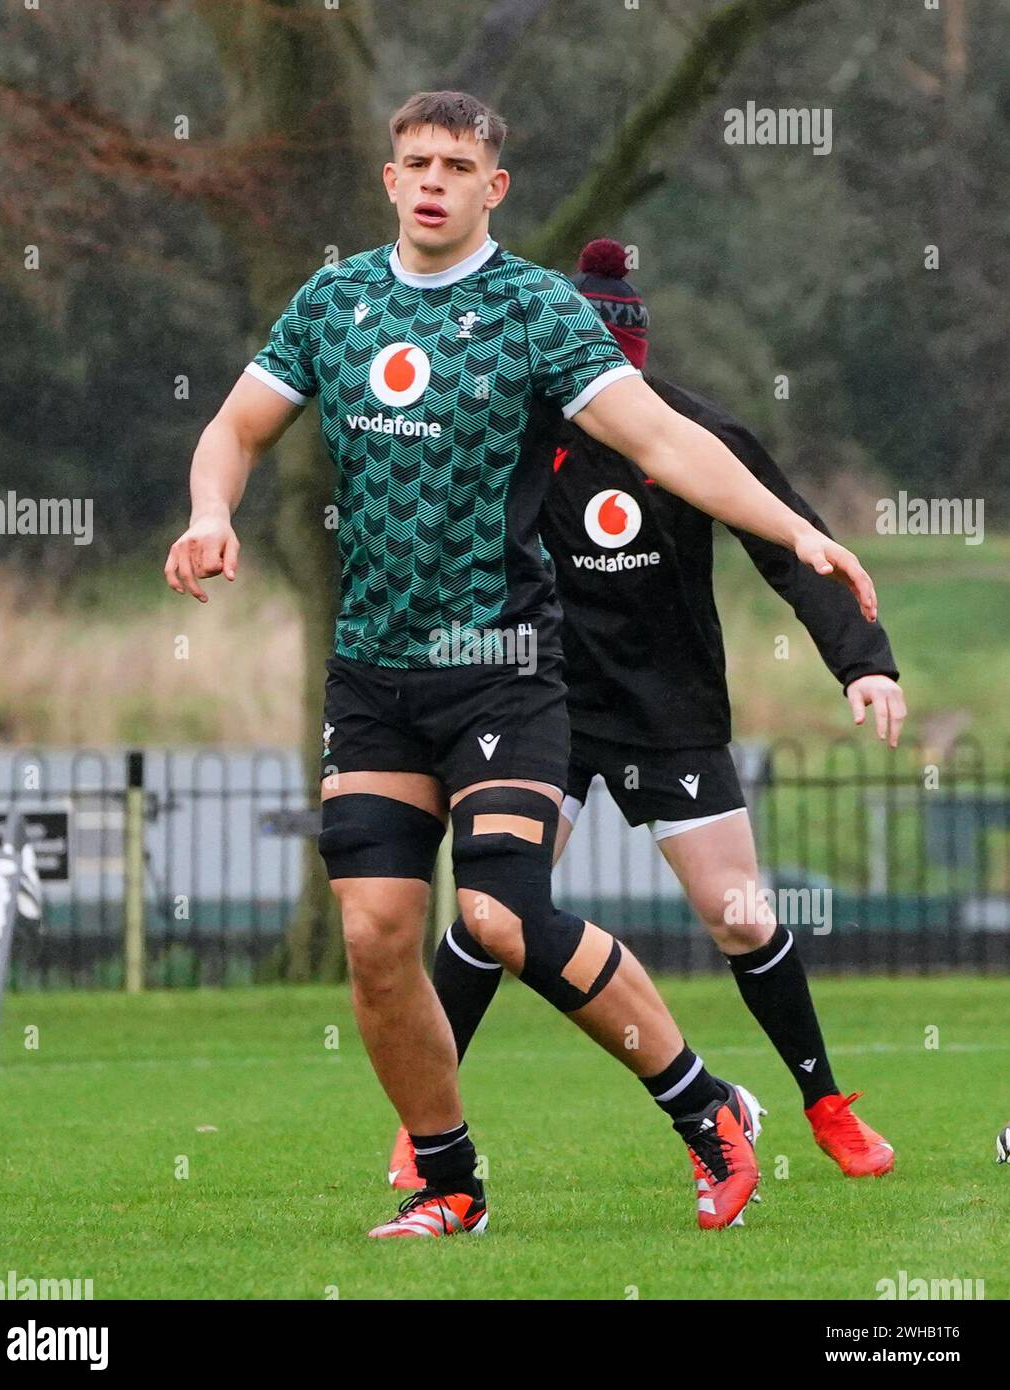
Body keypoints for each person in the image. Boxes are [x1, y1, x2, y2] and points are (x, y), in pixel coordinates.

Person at [165, 92, 879, 1237]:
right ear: (390, 180)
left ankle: (706, 1110)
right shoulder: (334, 301)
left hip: (503, 666)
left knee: (499, 913)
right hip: (372, 675)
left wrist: (796, 529)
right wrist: (210, 511)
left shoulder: (537, 310)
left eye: (458, 162)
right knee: (375, 937)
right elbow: (237, 428)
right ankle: (451, 1182)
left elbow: (662, 439)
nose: (434, 177)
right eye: (415, 161)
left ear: (494, 187)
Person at [389, 239, 902, 1194]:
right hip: (544, 707)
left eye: (624, 362)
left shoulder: (697, 438)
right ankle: (428, 1124)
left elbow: (791, 546)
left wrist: (862, 664)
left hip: (670, 712)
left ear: (640, 357)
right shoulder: (515, 440)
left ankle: (825, 1103)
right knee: (494, 906)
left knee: (738, 915)